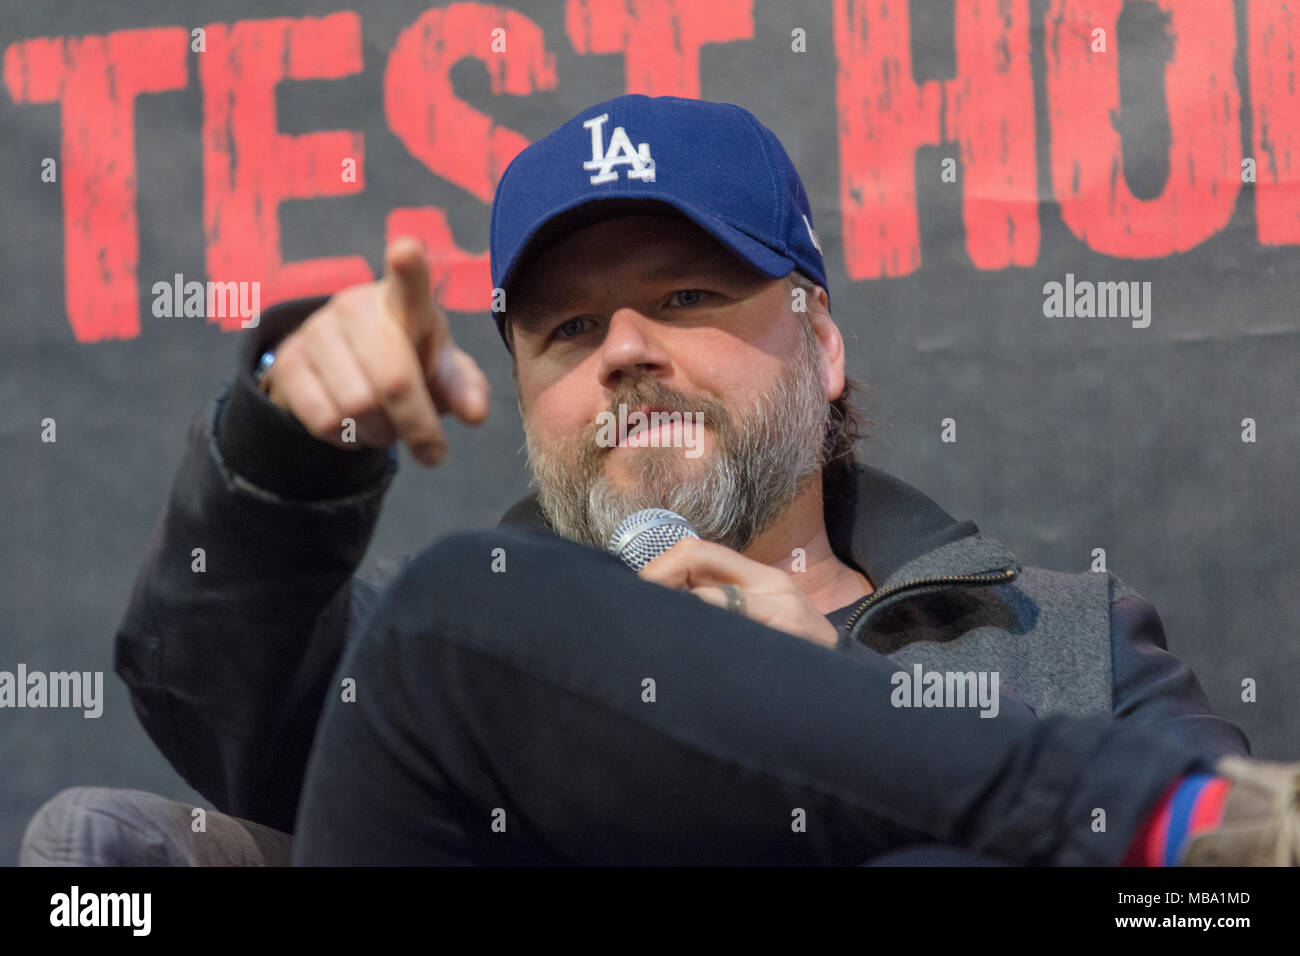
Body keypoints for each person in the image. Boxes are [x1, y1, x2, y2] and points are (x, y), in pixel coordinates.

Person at [26, 94, 1295, 867]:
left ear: (824, 341)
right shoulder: (437, 665)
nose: (626, 349)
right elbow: (214, 693)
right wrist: (286, 449)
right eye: (569, 332)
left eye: (687, 296)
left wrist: (819, 704)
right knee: (461, 606)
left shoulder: (1060, 638)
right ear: (524, 394)